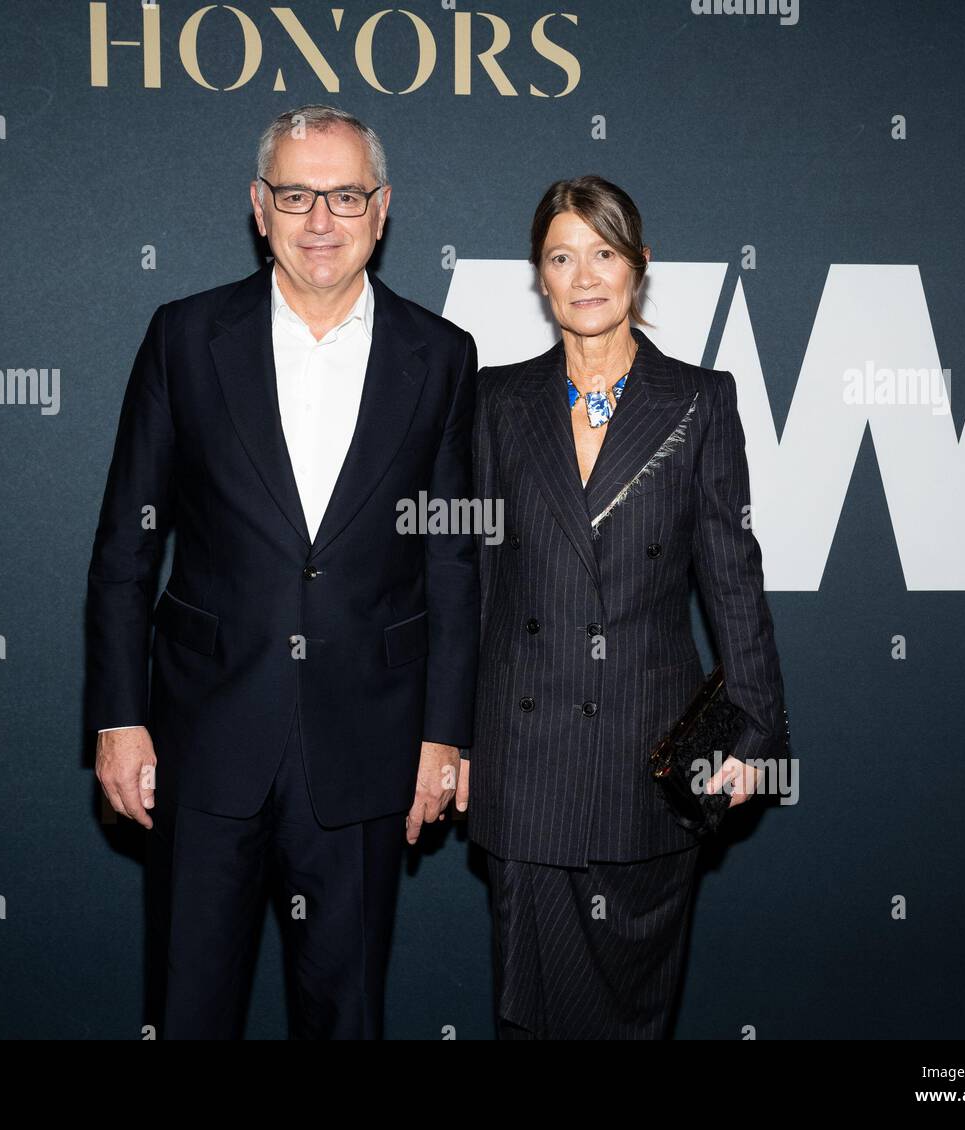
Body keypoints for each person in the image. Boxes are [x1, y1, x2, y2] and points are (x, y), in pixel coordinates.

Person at [85, 104, 477, 1039]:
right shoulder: (183, 337)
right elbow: (125, 546)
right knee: (189, 1009)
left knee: (345, 1016)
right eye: (297, 194)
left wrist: (444, 735)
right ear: (260, 207)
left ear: (381, 210)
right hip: (205, 736)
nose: (321, 220)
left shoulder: (443, 357)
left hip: (368, 745)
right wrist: (117, 716)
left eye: (345, 195)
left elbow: (456, 557)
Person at [464, 174, 788, 1039]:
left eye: (604, 253)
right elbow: (477, 587)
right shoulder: (497, 402)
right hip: (525, 762)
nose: (585, 275)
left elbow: (732, 577)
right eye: (562, 257)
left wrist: (757, 731)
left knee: (631, 1016)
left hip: (645, 760)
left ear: (639, 266)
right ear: (540, 277)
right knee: (530, 1011)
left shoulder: (697, 401)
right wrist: (452, 736)